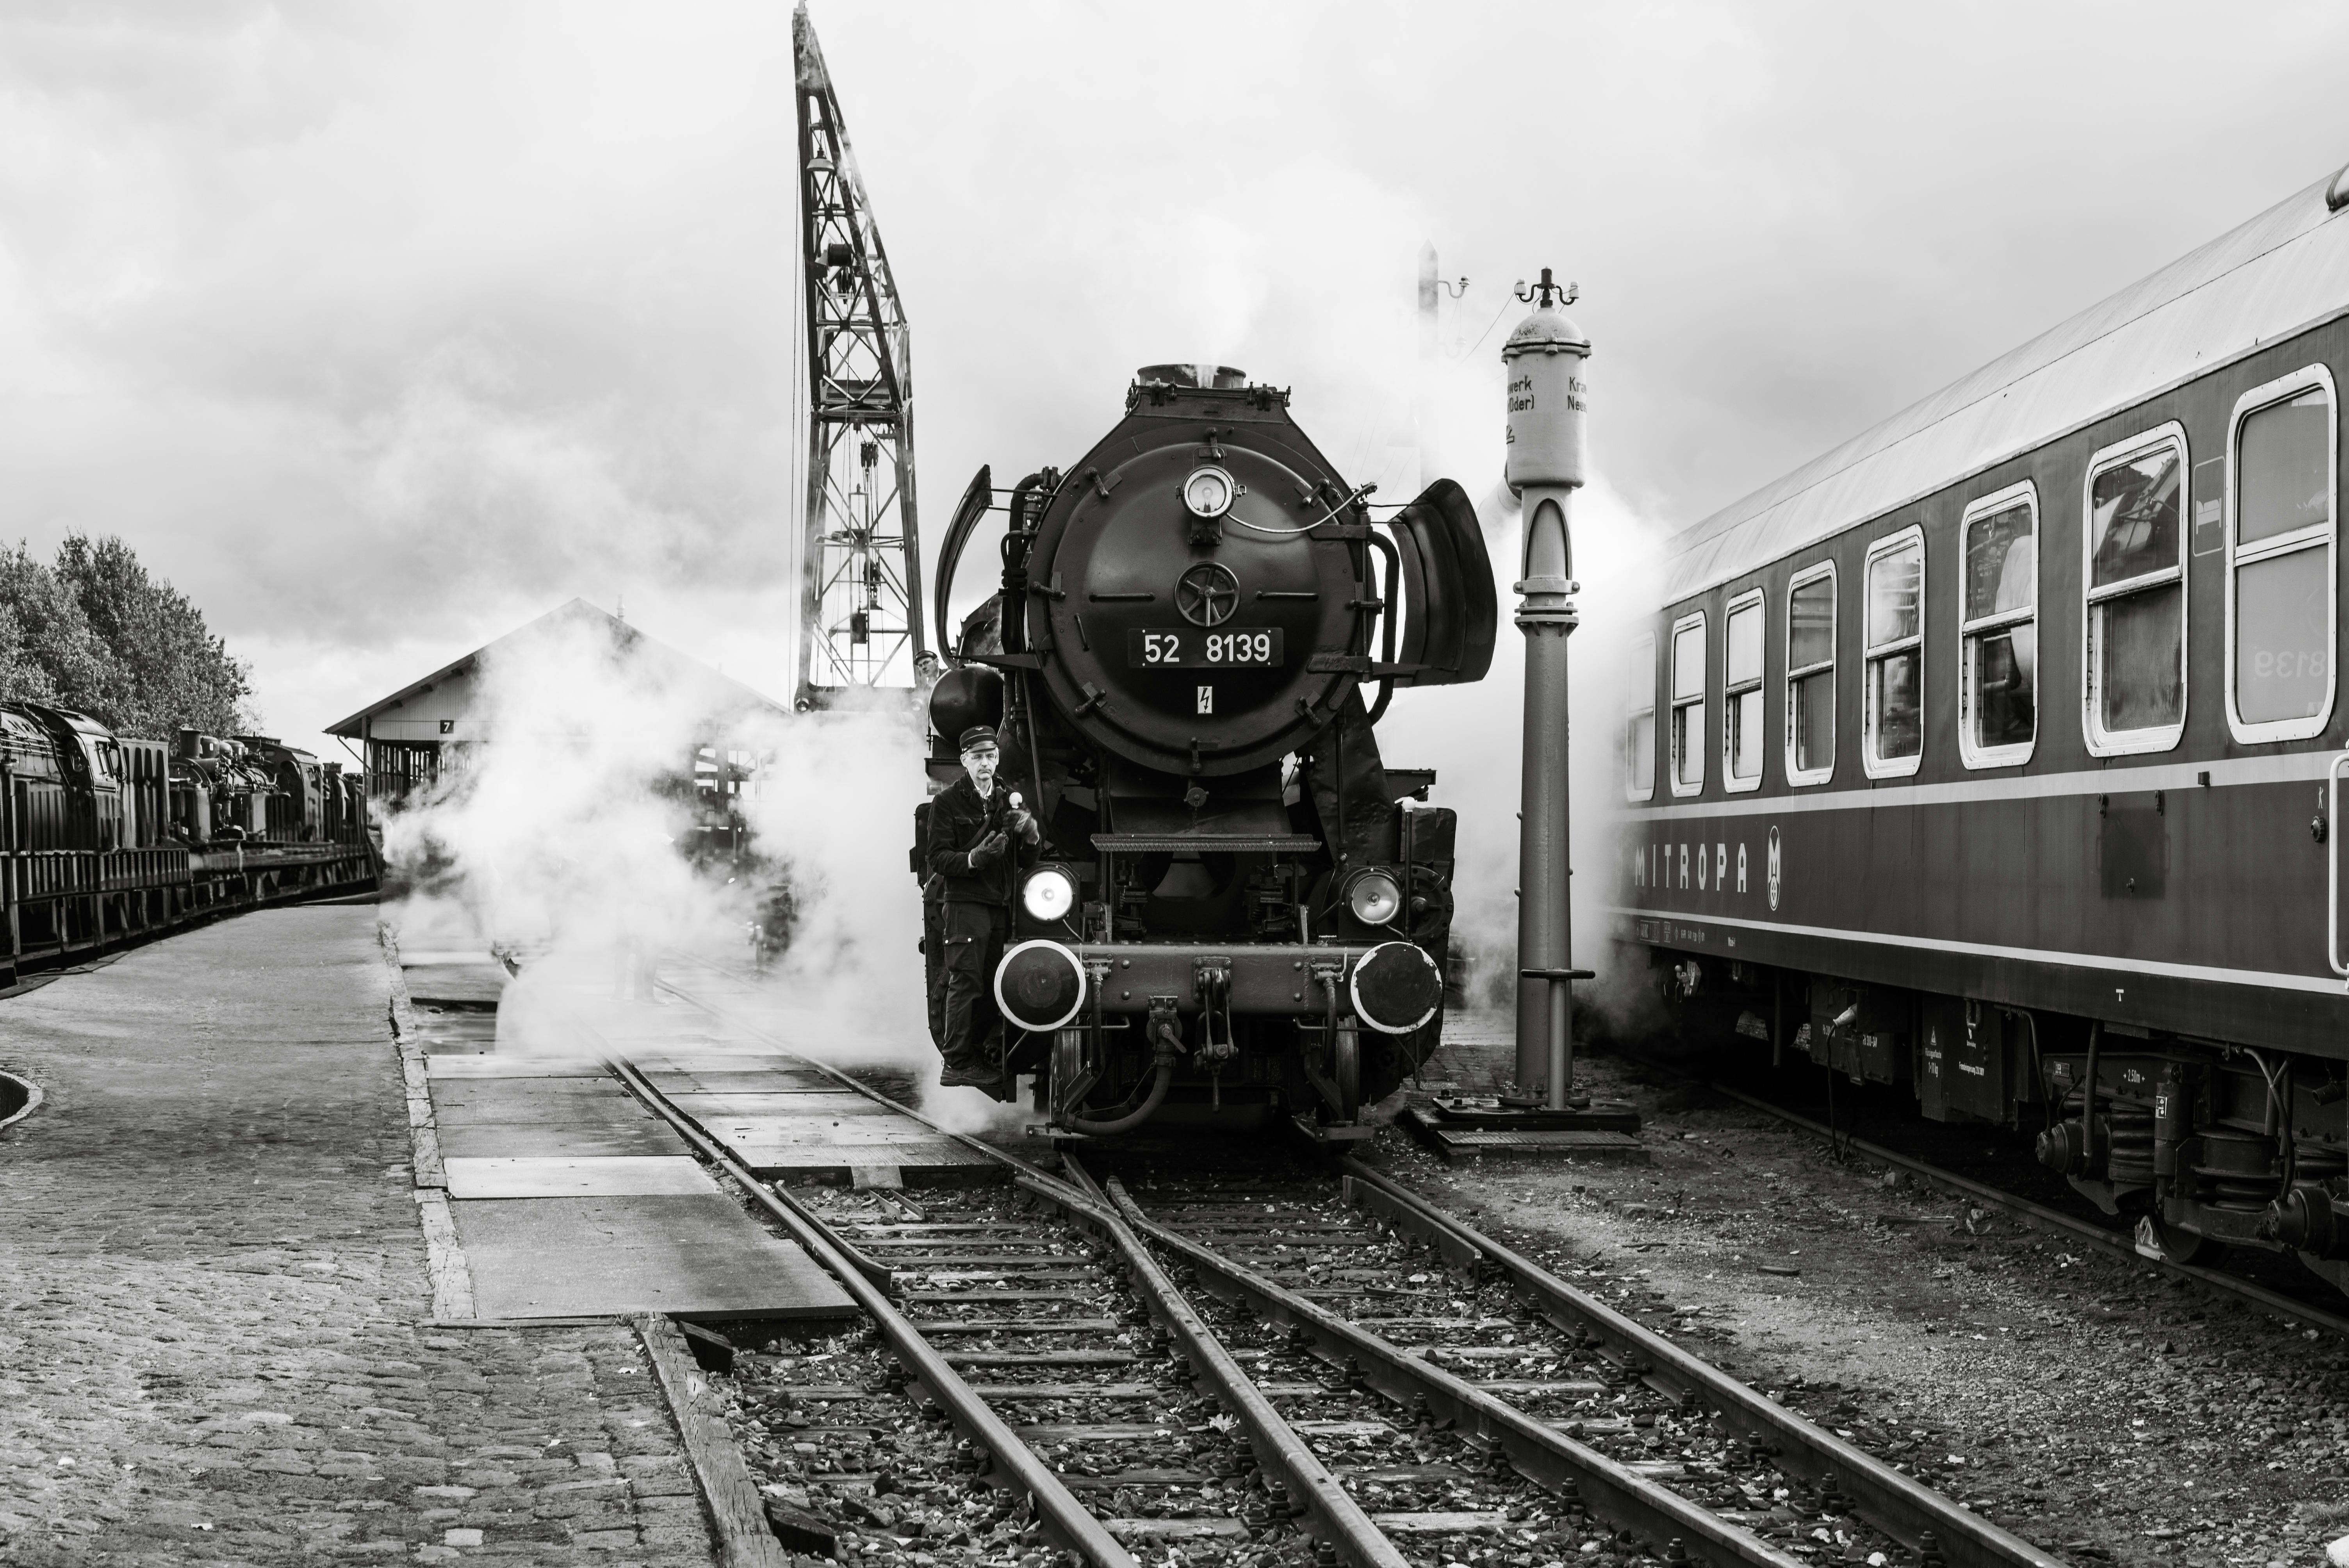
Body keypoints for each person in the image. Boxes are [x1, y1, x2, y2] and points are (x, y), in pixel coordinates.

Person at [925, 725, 1042, 1087]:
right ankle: (957, 1062)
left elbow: (1028, 858)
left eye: (991, 756)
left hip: (999, 905)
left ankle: (978, 1052)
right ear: (964, 761)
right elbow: (938, 859)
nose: (986, 764)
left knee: (993, 983)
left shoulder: (1008, 799)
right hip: (965, 906)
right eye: (977, 757)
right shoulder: (947, 803)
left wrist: (1031, 833)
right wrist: (975, 858)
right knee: (965, 982)